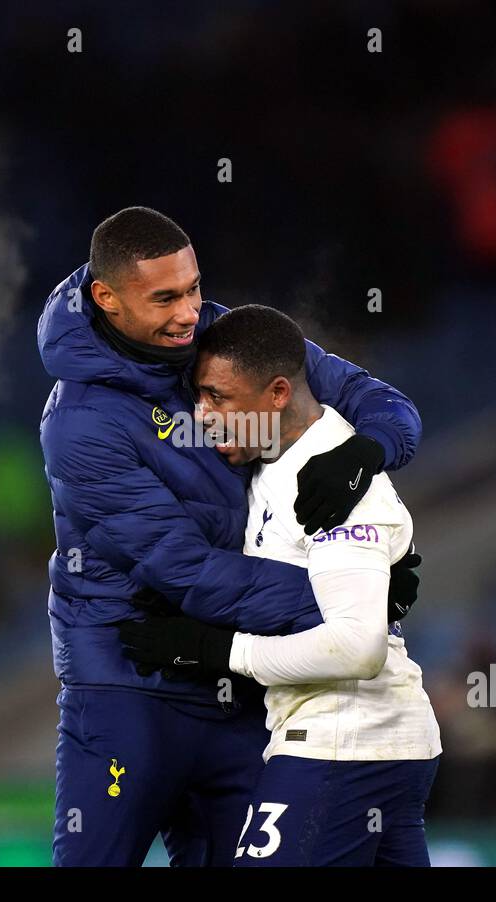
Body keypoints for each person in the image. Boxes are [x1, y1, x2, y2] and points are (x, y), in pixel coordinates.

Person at [40, 206, 423, 866]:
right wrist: (347, 599)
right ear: (107, 299)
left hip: (237, 679)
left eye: (192, 287)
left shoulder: (228, 338)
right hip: (130, 684)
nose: (190, 312)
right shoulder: (81, 424)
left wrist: (366, 450)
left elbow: (379, 401)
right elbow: (186, 569)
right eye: (165, 298)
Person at [119, 305, 441, 866]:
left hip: (343, 743)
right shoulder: (275, 460)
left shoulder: (332, 482)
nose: (203, 414)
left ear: (275, 394)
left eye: (219, 397)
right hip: (379, 742)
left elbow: (357, 648)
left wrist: (217, 651)